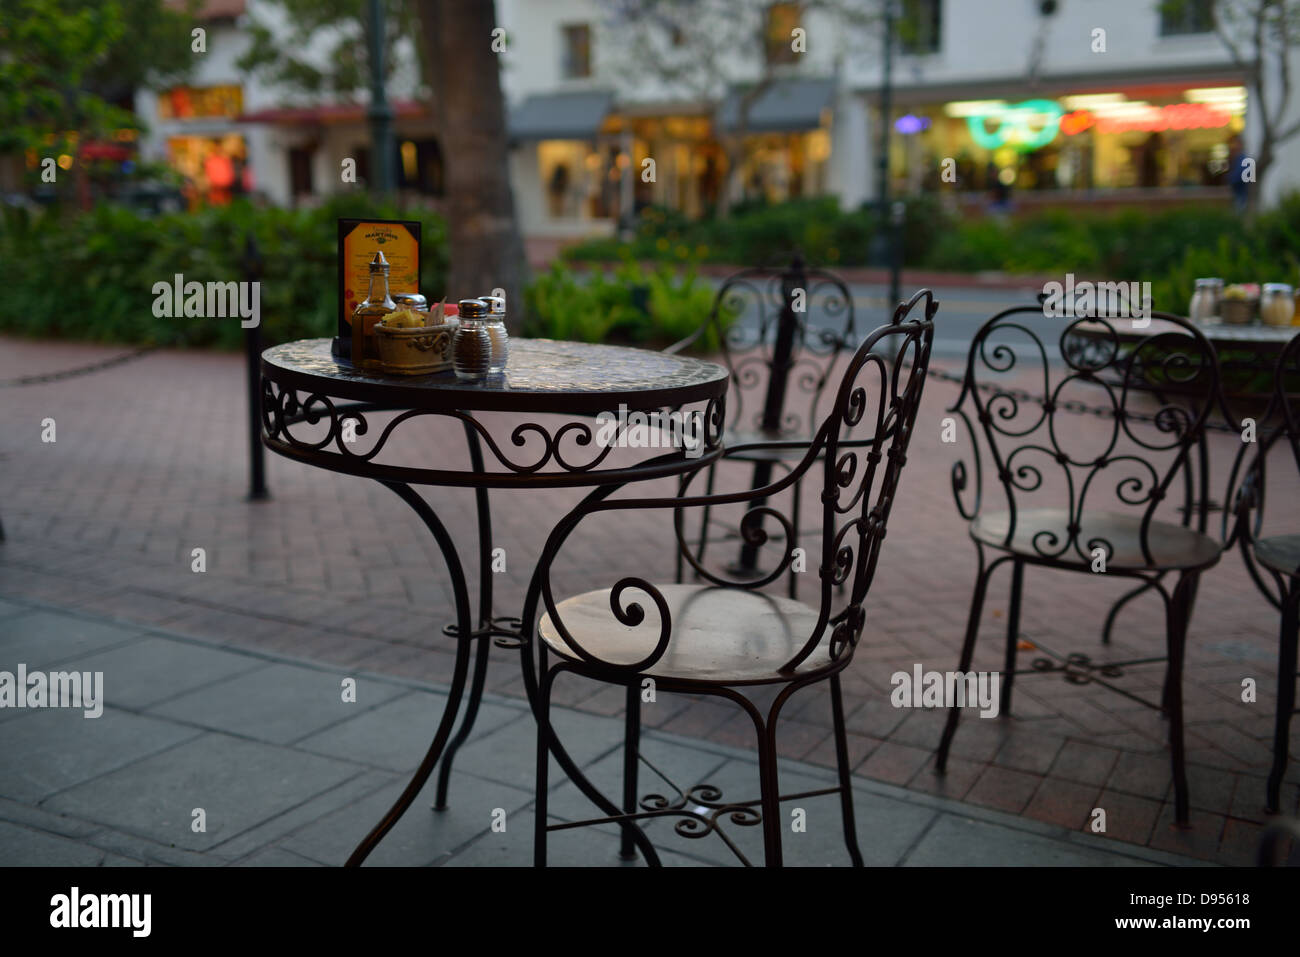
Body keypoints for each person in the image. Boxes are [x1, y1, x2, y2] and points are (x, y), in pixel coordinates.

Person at [1227, 134, 1249, 213]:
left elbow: (1234, 179)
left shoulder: (1243, 160)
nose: (1232, 148)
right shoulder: (1237, 160)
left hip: (1242, 197)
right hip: (1240, 196)